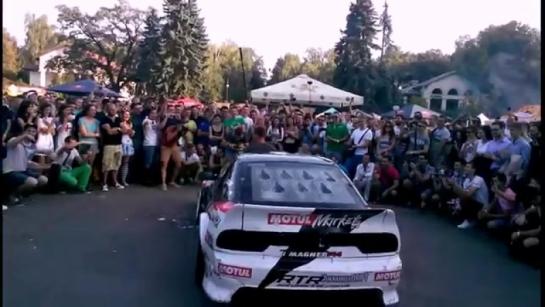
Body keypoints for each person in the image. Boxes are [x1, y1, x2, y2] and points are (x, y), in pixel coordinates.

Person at [2, 125, 49, 199]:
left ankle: (24, 193)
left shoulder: (33, 146)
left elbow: (27, 162)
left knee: (43, 179)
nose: (30, 133)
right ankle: (12, 194)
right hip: (10, 171)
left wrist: (44, 166)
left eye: (33, 131)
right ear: (24, 132)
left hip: (23, 170)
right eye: (28, 131)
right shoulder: (15, 140)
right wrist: (25, 136)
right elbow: (11, 144)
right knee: (32, 182)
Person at [446, 162, 489, 229]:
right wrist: (452, 185)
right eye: (465, 167)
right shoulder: (467, 180)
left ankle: (468, 221)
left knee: (465, 199)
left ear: (473, 170)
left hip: (482, 205)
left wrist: (455, 184)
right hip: (474, 202)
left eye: (468, 167)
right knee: (456, 199)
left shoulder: (478, 179)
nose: (465, 168)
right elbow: (461, 193)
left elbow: (468, 194)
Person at [100, 103, 124, 192]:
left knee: (116, 164)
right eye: (111, 109)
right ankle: (104, 183)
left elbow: (125, 130)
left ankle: (115, 182)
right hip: (108, 145)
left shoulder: (118, 119)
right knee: (106, 165)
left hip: (118, 144)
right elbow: (109, 132)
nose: (113, 111)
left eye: (114, 109)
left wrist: (118, 129)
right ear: (107, 110)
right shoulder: (104, 119)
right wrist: (118, 129)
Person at [159, 104, 183, 191]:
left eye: (173, 109)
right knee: (164, 164)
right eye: (170, 109)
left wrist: (179, 119)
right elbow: (160, 127)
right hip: (165, 145)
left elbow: (180, 130)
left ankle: (172, 181)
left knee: (178, 164)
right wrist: (166, 117)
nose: (172, 111)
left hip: (175, 144)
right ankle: (163, 183)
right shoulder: (164, 117)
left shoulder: (177, 118)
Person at [142, 109, 160, 184]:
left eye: (155, 113)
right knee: (148, 162)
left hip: (155, 144)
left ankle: (152, 179)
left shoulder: (155, 121)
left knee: (153, 162)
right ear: (149, 114)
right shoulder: (146, 120)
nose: (154, 114)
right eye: (152, 113)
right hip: (148, 144)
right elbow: (145, 124)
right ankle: (146, 179)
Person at [119, 110, 135, 187]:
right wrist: (130, 131)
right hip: (121, 142)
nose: (127, 116)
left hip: (128, 142)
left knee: (125, 162)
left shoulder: (130, 123)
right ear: (122, 115)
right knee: (119, 162)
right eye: (125, 114)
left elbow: (130, 134)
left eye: (128, 115)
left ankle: (123, 180)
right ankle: (116, 179)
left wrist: (131, 132)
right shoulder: (120, 123)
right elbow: (125, 131)